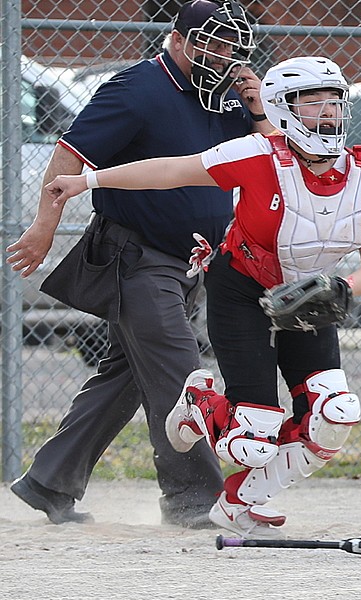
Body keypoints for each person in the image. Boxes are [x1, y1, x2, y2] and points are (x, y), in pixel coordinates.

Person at [45, 56, 361, 536]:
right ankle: (199, 406)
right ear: (284, 109)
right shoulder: (258, 154)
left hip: (309, 299)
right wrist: (88, 180)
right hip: (243, 291)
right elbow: (172, 171)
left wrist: (339, 287)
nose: (328, 114)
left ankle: (238, 506)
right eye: (313, 103)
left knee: (334, 414)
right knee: (250, 438)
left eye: (334, 103)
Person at [6, 0, 272, 528]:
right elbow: (70, 154)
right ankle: (194, 499)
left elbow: (271, 161)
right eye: (210, 46)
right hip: (137, 255)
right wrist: (43, 226)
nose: (222, 58)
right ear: (178, 41)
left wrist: (260, 108)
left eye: (230, 49)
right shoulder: (136, 90)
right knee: (179, 372)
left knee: (126, 375)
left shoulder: (227, 99)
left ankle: (49, 483)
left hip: (192, 262)